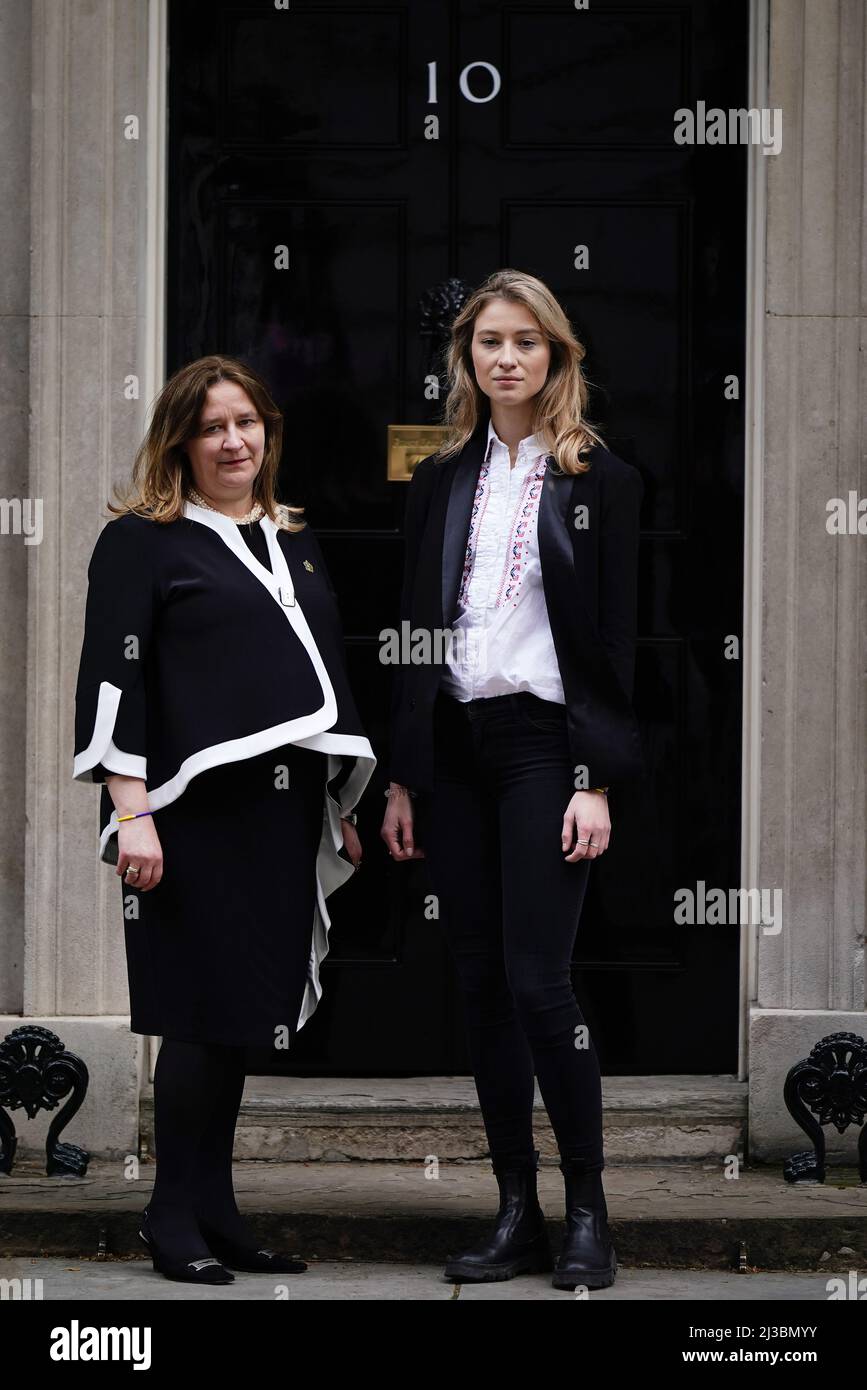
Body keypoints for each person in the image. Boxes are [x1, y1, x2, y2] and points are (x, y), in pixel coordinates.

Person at [72, 355, 375, 1284]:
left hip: (281, 815)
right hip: (188, 815)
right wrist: (133, 816)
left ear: (267, 433)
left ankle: (218, 1208)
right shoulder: (142, 540)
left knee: (245, 1016)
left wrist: (335, 801)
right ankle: (171, 1216)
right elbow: (112, 680)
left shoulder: (293, 537)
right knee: (197, 1018)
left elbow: (319, 671)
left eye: (246, 423)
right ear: (180, 441)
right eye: (211, 427)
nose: (233, 441)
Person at [381, 269, 645, 1291]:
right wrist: (402, 779)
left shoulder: (600, 481)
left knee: (541, 981)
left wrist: (598, 778)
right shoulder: (442, 480)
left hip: (548, 747)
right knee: (482, 985)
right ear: (468, 356)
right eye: (490, 340)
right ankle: (512, 1214)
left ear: (557, 355)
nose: (507, 358)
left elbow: (618, 648)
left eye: (527, 341)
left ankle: (588, 1215)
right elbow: (411, 635)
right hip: (455, 748)